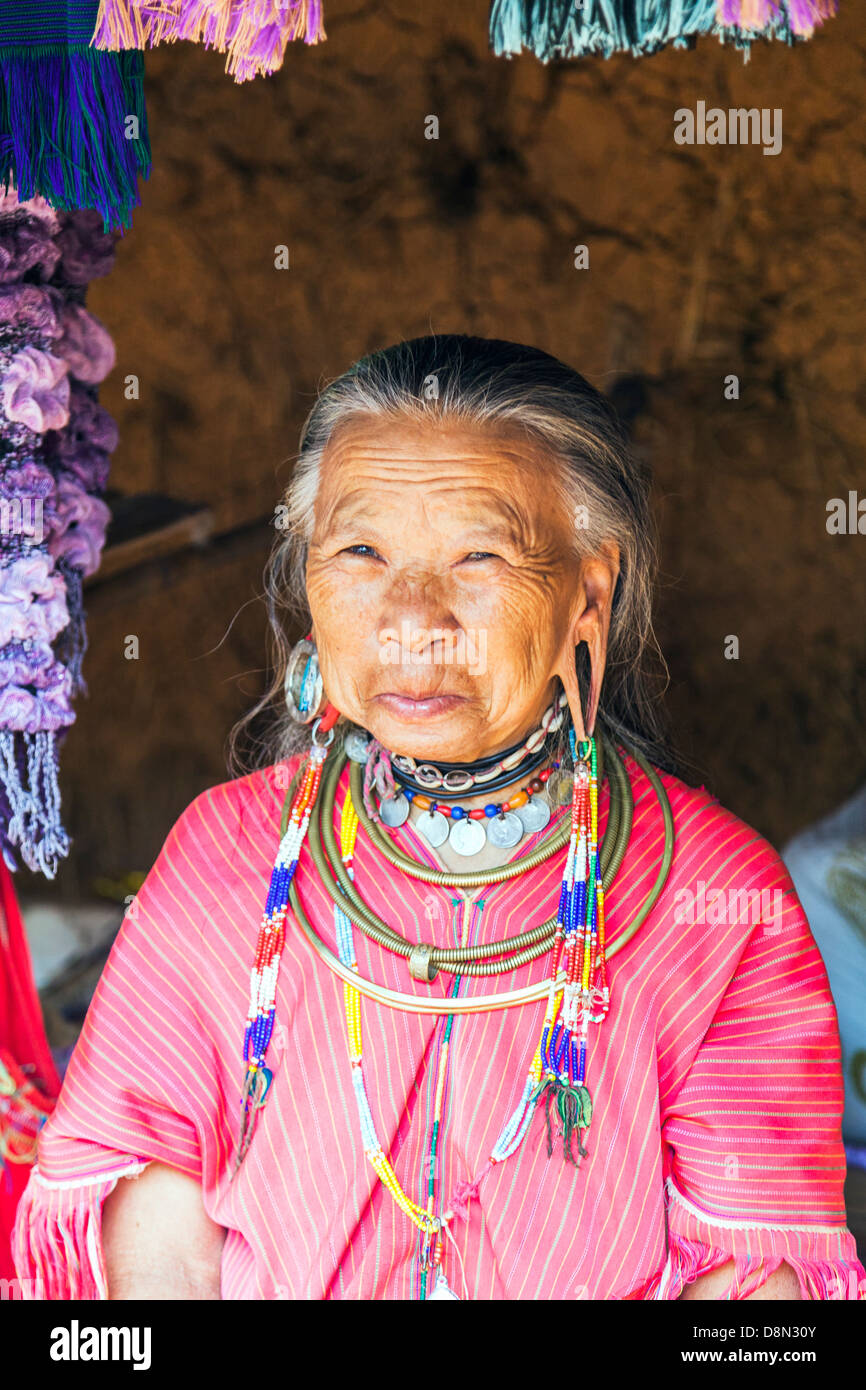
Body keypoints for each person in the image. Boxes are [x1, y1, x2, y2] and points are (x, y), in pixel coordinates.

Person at [13, 335, 865, 1300]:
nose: (410, 615)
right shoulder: (228, 854)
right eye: (362, 552)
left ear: (589, 592)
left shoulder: (715, 898)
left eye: (478, 556)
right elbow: (152, 1216)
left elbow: (756, 1289)